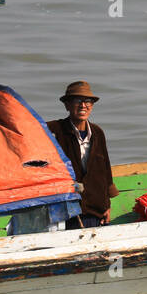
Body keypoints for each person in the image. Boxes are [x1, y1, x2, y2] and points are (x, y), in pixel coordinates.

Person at [47, 80, 119, 228]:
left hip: (96, 210)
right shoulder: (54, 130)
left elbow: (105, 171)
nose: (83, 105)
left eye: (88, 101)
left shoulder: (97, 132)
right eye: (77, 100)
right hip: (69, 211)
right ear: (67, 105)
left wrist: (106, 205)